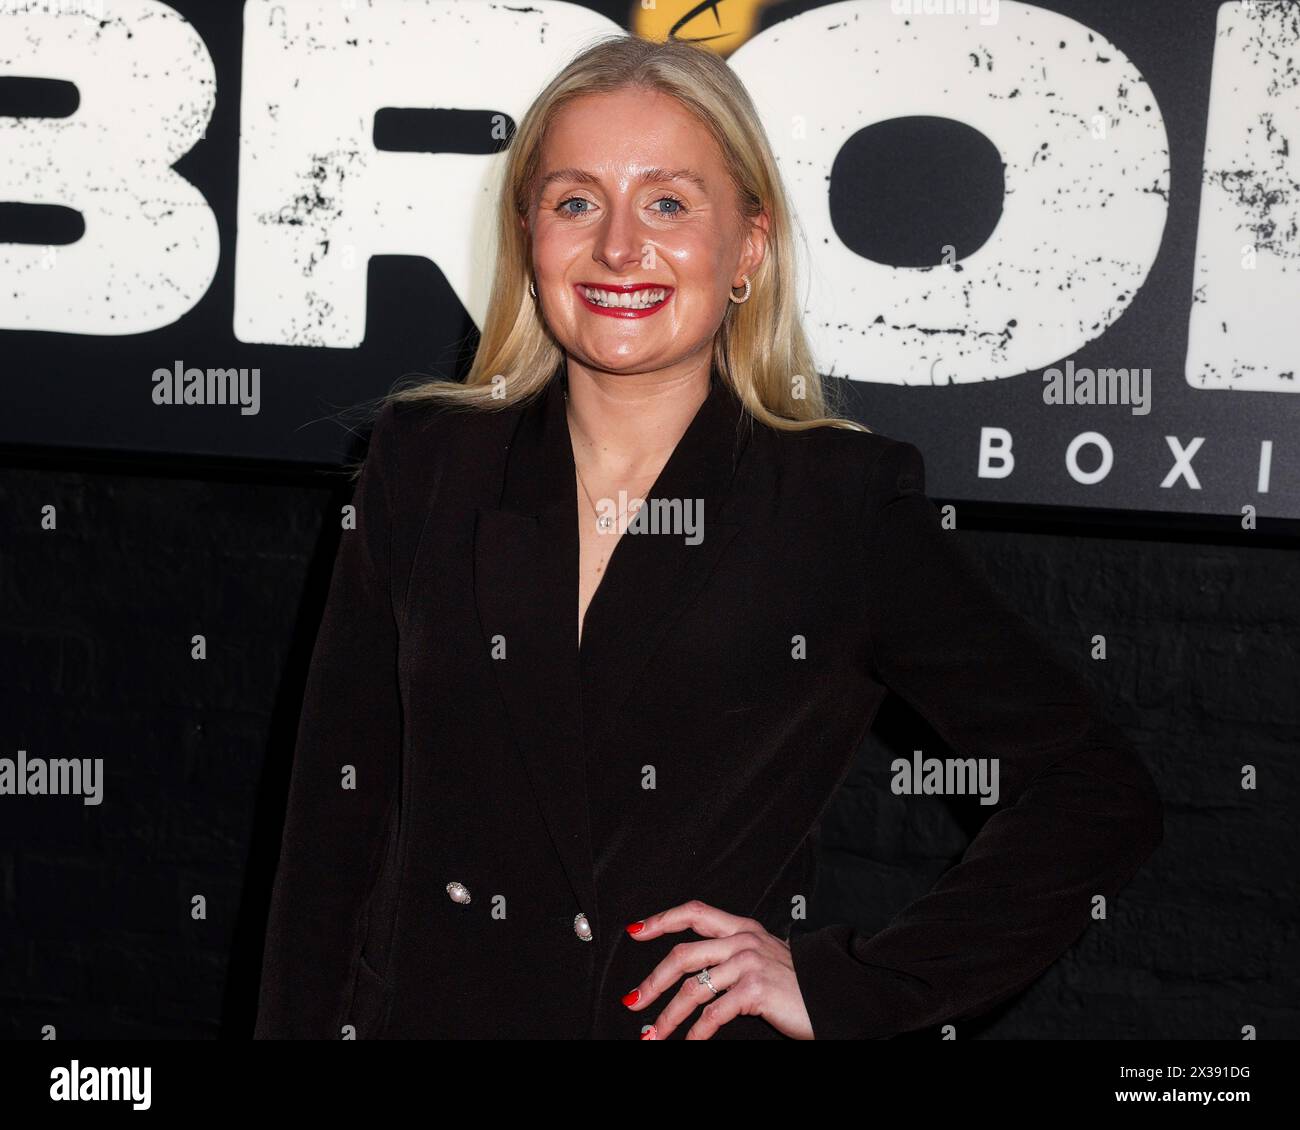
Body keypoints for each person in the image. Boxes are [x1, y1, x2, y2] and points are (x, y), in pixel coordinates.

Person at [253, 34, 1162, 1041]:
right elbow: (331, 825)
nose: (617, 248)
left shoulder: (836, 503)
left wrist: (855, 984)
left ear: (749, 247)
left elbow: (1093, 788)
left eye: (669, 204)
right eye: (575, 201)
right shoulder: (427, 462)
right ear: (528, 237)